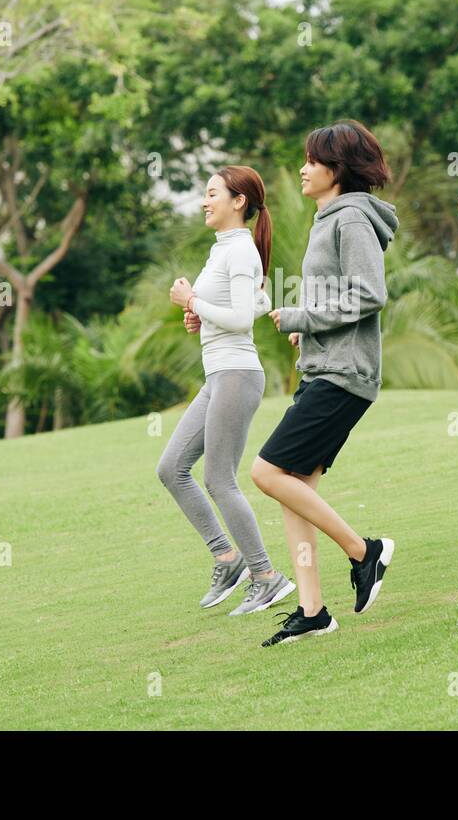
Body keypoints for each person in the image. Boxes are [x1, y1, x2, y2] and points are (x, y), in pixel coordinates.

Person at [250, 120, 398, 646]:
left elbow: (369, 293)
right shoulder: (329, 218)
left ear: (337, 170)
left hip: (344, 376)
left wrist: (301, 319)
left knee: (265, 472)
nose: (302, 169)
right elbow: (341, 300)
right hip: (326, 367)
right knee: (296, 491)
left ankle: (365, 552)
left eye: (312, 161)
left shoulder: (352, 218)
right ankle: (312, 611)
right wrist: (309, 336)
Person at [157, 166, 295, 616]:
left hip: (236, 374)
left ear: (239, 202)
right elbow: (249, 304)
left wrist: (193, 302)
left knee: (219, 479)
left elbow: (239, 319)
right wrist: (199, 315)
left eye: (212, 193)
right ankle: (227, 558)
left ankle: (266, 576)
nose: (204, 201)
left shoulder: (241, 252)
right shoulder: (223, 251)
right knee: (171, 467)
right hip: (218, 375)